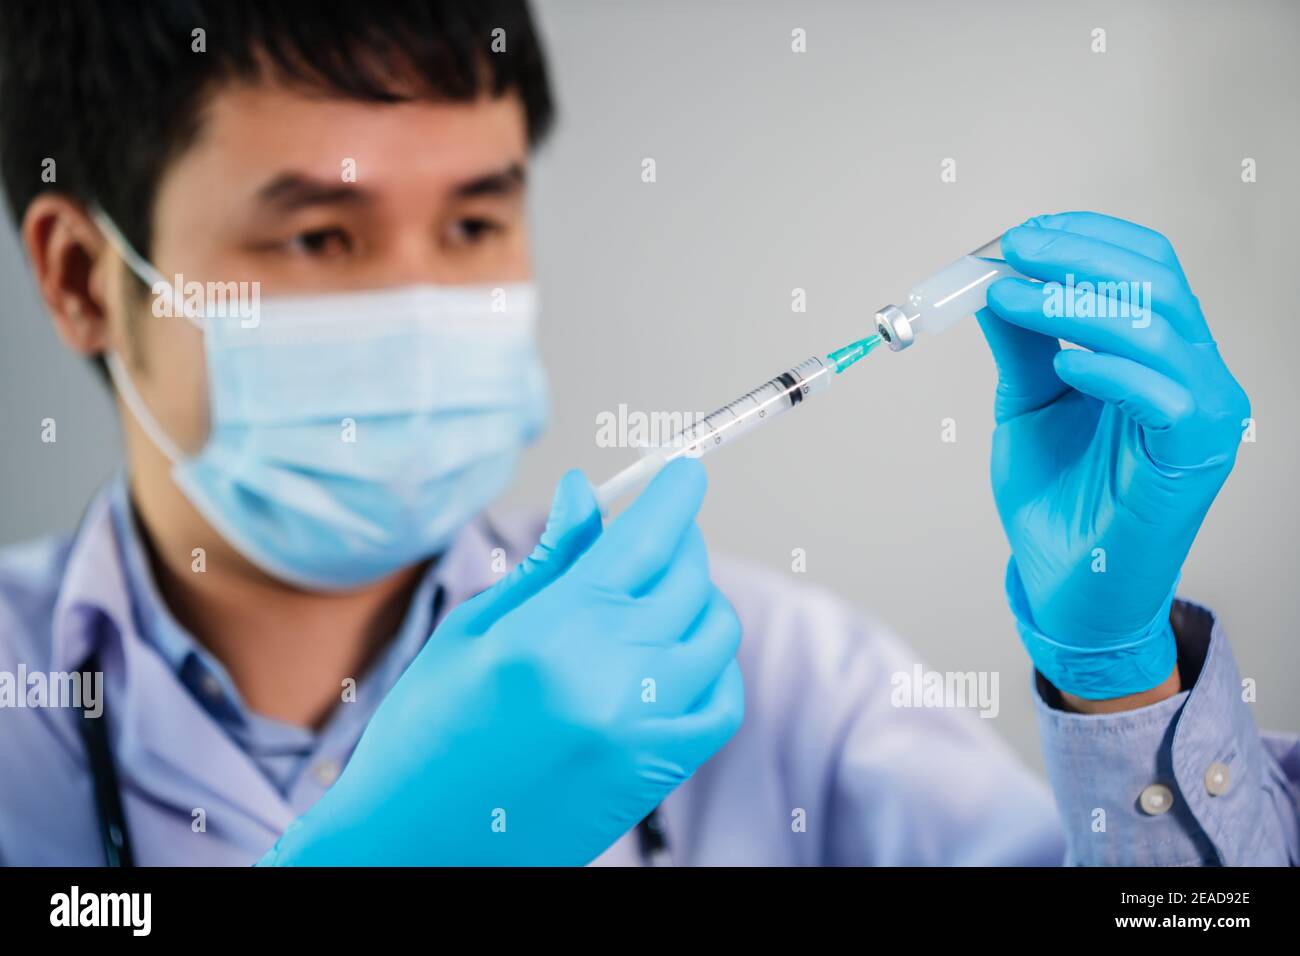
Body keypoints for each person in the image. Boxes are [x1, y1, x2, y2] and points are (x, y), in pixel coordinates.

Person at [0, 0, 1294, 867]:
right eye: (321, 235)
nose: (431, 300)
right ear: (77, 277)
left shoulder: (778, 685)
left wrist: (1116, 674)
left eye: (472, 223)